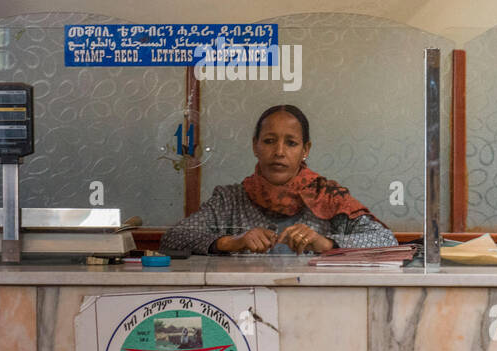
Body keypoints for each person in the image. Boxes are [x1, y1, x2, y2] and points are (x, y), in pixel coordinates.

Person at [160, 104, 397, 255]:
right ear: (255, 145)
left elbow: (386, 241)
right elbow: (174, 238)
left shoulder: (328, 197)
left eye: (291, 143)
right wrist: (233, 242)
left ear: (306, 149)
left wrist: (325, 243)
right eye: (269, 141)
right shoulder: (230, 199)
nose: (279, 152)